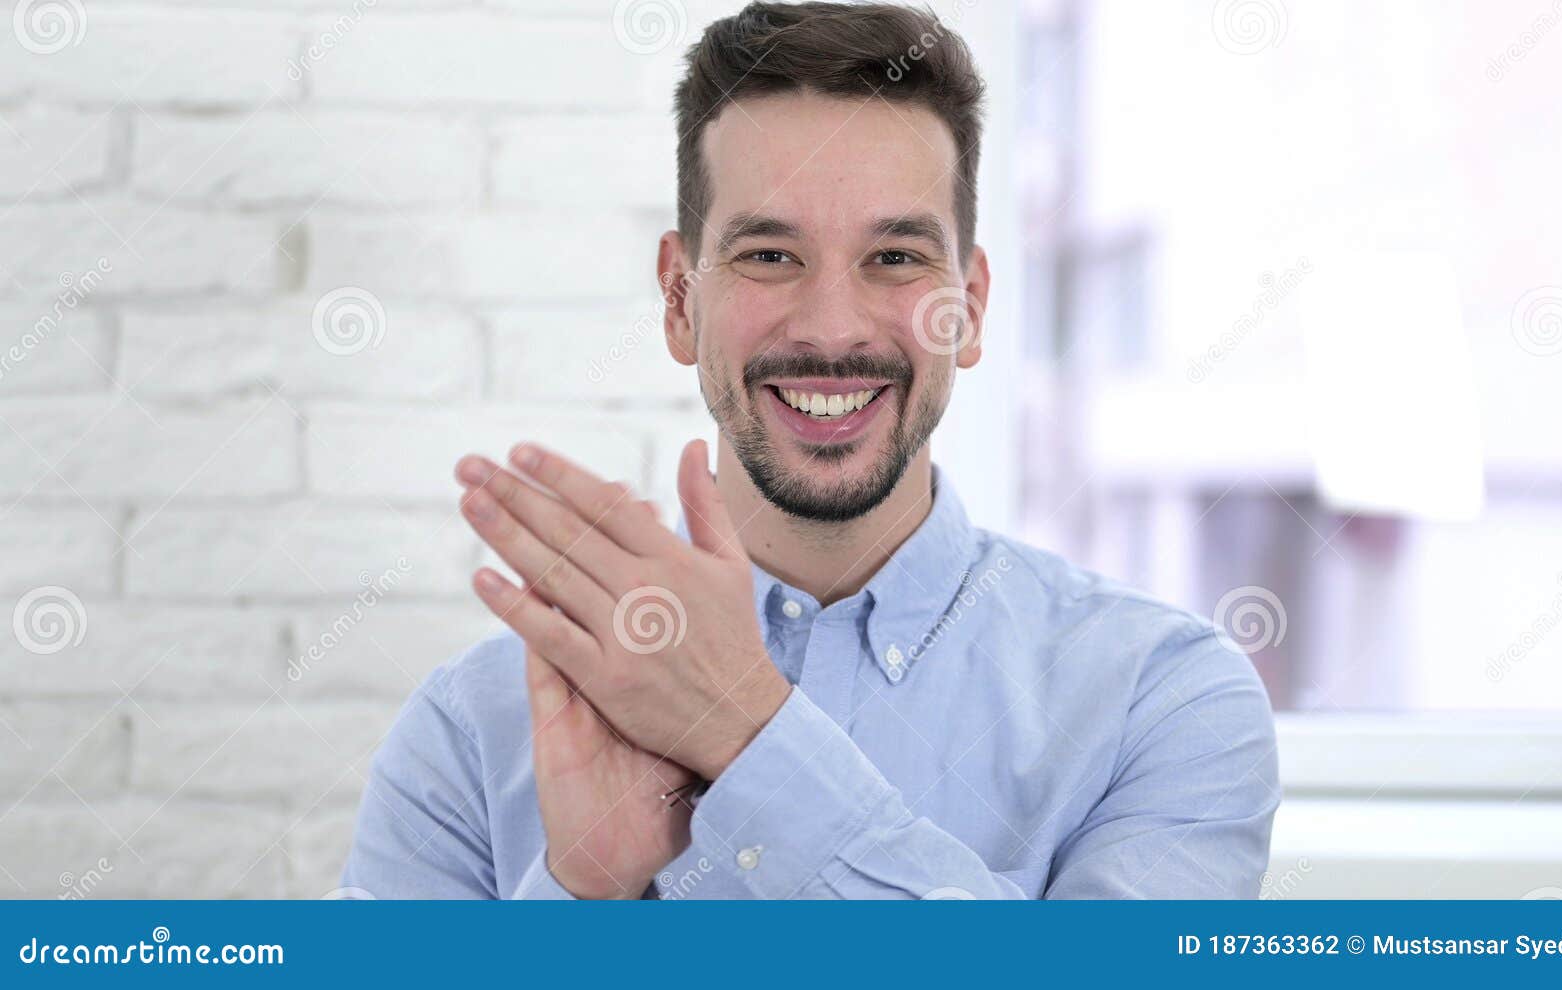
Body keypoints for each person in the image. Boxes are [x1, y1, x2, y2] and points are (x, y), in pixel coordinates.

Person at [342, 1, 1279, 900]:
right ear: (679, 301)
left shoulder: (1164, 702)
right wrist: (586, 898)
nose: (833, 329)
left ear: (973, 307)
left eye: (897, 257)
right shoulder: (472, 731)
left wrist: (748, 731)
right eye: (769, 256)